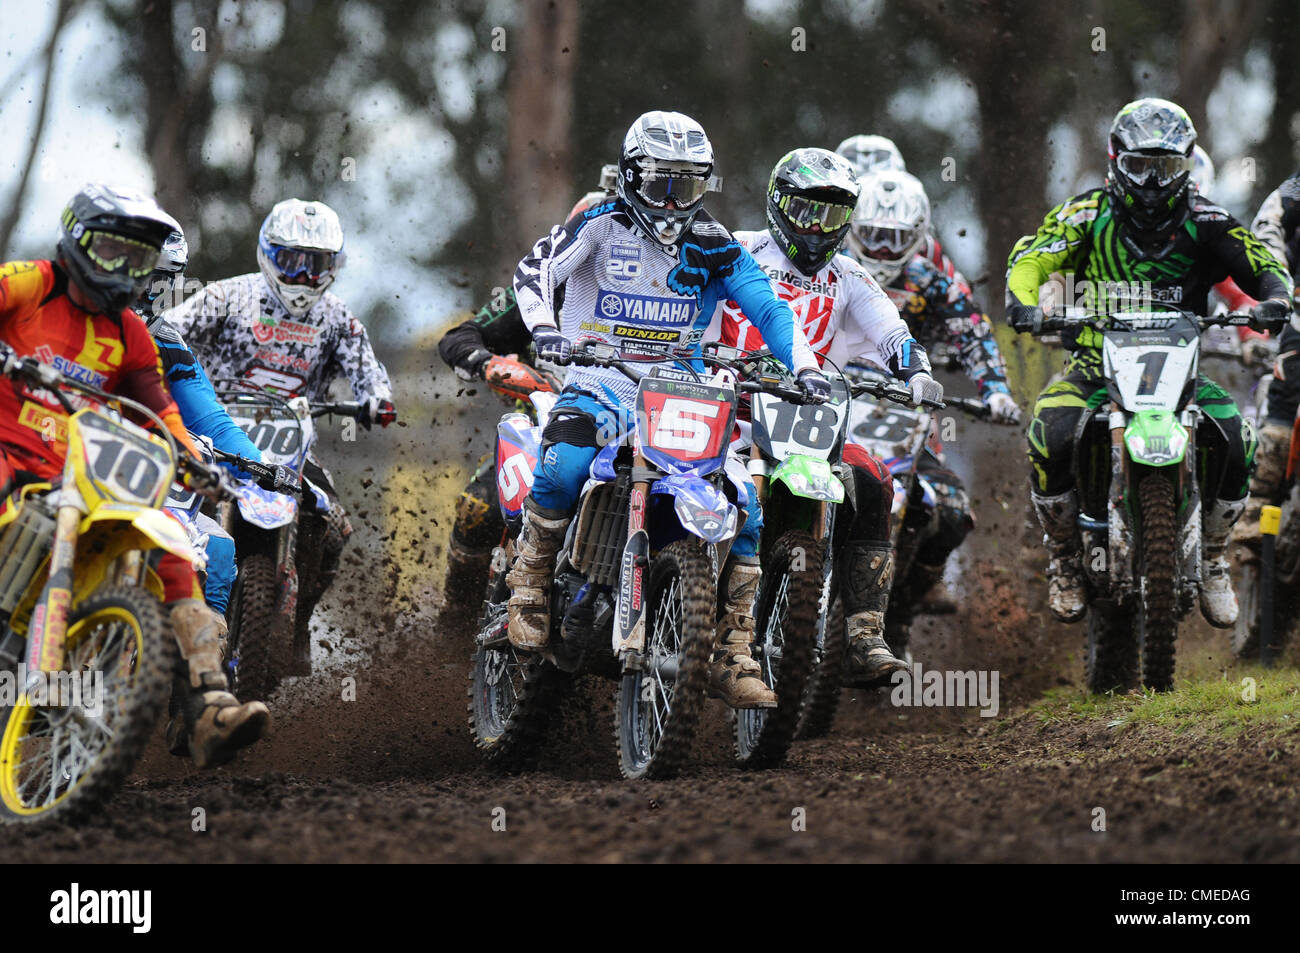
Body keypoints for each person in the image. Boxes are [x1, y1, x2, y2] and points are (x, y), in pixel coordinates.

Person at [508, 110, 832, 709]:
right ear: (632, 176)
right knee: (566, 467)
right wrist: (547, 329)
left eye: (689, 185)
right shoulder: (600, 224)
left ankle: (735, 650)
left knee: (746, 507)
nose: (674, 200)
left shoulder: (714, 245)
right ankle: (528, 580)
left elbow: (769, 309)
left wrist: (806, 366)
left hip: (680, 392)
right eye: (662, 183)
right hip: (598, 381)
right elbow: (535, 271)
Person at [0, 183, 269, 767]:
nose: (128, 273)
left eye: (141, 262)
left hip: (80, 474)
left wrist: (202, 467)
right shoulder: (29, 282)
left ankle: (205, 705)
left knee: (175, 552)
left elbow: (171, 411)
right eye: (115, 253)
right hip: (8, 450)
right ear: (77, 240)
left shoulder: (136, 335)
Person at [1006, 98, 1292, 627]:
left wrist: (1275, 297)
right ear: (1116, 159)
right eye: (1140, 165)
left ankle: (1209, 558)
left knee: (1239, 440)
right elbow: (1033, 257)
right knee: (1049, 430)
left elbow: (1261, 261)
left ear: (1187, 163)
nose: (1153, 181)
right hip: (1095, 361)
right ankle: (1064, 558)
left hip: (1179, 367)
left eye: (1167, 166)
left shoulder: (1207, 220)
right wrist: (1024, 302)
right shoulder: (1086, 213)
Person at [714, 147, 944, 679]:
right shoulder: (735, 250)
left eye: (834, 215)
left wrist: (917, 374)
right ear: (778, 203)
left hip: (805, 414)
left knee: (874, 479)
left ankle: (864, 633)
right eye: (807, 211)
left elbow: (893, 332)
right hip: (724, 403)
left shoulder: (850, 277)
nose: (818, 228)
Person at [162, 199, 397, 636]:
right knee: (178, 503)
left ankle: (299, 620)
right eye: (291, 261)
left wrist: (376, 400)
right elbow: (165, 330)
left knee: (333, 527)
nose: (303, 276)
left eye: (316, 264)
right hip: (217, 428)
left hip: (292, 437)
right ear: (268, 254)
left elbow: (368, 372)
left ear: (334, 265)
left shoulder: (337, 318)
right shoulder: (227, 296)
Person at [844, 168, 1019, 655]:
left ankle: (901, 602)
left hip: (902, 415)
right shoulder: (828, 268)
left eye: (894, 239)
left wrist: (996, 390)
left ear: (919, 237)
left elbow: (974, 330)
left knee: (950, 511)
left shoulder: (929, 279)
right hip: (828, 406)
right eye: (872, 236)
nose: (880, 249)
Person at [1232, 166, 1300, 540]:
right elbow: (1269, 220)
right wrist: (1281, 282)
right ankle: (1257, 507)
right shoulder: (1296, 186)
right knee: (1289, 385)